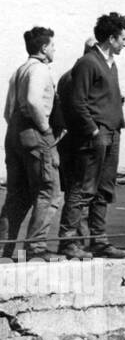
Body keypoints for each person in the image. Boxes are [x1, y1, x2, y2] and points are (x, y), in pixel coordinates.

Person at [58, 12, 125, 260]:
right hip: (95, 135)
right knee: (82, 189)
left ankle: (99, 240)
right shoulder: (88, 63)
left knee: (103, 190)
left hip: (111, 133)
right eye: (122, 38)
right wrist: (92, 131)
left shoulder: (110, 65)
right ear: (111, 38)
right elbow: (76, 102)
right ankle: (68, 242)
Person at [1, 27, 61, 263]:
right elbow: (34, 101)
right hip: (35, 132)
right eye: (53, 46)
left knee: (17, 195)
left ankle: (3, 250)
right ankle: (35, 250)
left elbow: (7, 111)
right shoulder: (40, 70)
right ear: (44, 48)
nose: (54, 49)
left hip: (14, 132)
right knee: (49, 191)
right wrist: (45, 129)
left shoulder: (18, 72)